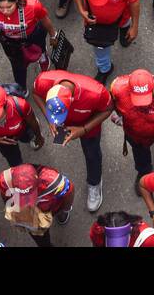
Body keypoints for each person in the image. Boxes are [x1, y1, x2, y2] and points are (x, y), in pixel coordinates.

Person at [32, 71, 115, 212]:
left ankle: (95, 183)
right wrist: (50, 119)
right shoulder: (42, 81)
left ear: (72, 100)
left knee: (92, 154)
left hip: (87, 125)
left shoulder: (96, 92)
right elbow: (35, 94)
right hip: (66, 126)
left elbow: (107, 109)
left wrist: (83, 129)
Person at [0, 162, 74, 246]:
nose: (26, 204)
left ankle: (60, 215)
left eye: (28, 197)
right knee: (40, 237)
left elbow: (69, 191)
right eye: (22, 197)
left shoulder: (53, 181)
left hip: (52, 206)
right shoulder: (5, 180)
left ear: (38, 183)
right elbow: (5, 196)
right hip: (31, 216)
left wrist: (64, 210)